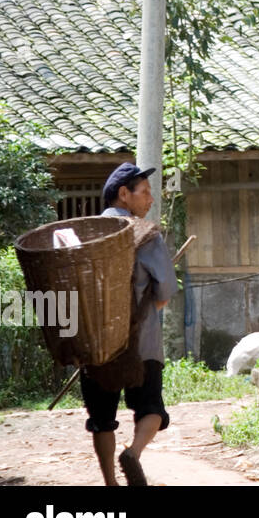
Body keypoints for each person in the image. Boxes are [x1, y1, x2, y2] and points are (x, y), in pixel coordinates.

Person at [82, 162, 176, 486]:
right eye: (145, 192)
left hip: (96, 346)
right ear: (124, 195)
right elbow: (165, 290)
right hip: (142, 344)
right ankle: (133, 452)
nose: (150, 200)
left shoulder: (84, 235)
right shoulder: (145, 235)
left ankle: (110, 483)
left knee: (101, 419)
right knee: (151, 408)